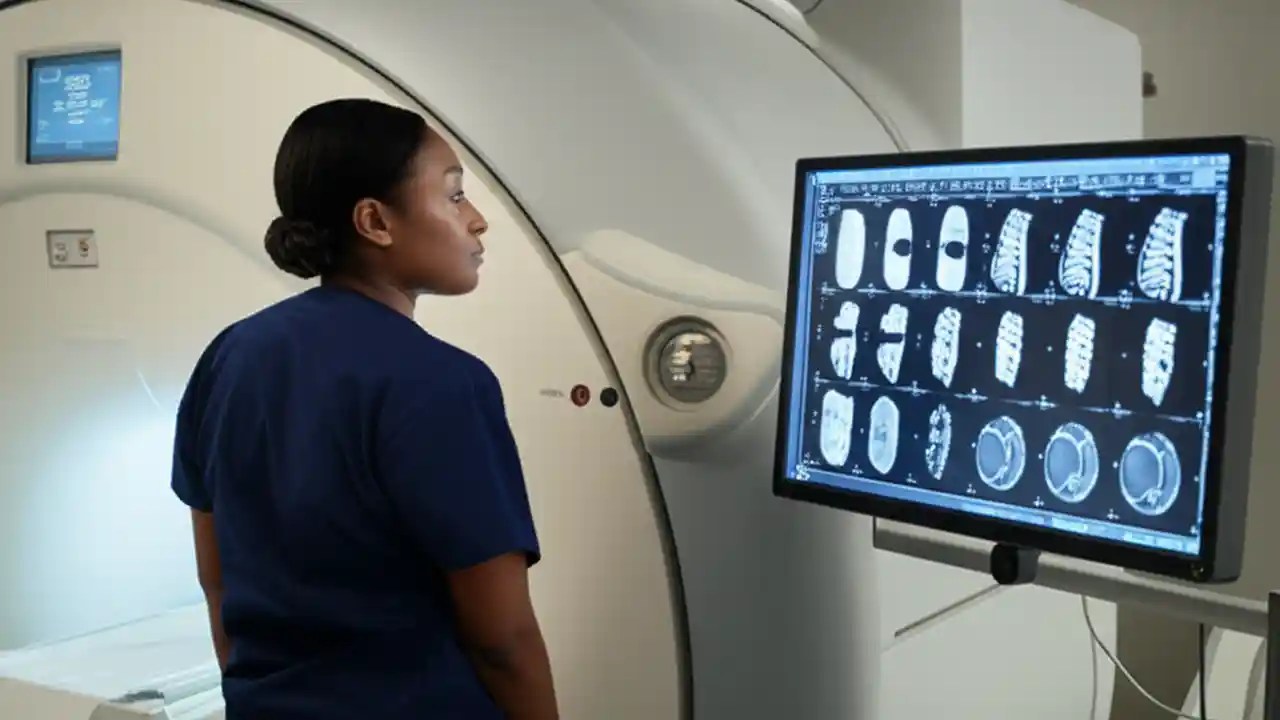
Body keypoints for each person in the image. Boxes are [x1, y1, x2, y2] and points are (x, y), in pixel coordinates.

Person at [170, 98, 560, 719]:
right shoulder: (444, 384)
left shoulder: (229, 356)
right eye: (455, 196)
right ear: (376, 221)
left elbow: (217, 584)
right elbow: (502, 640)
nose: (478, 220)